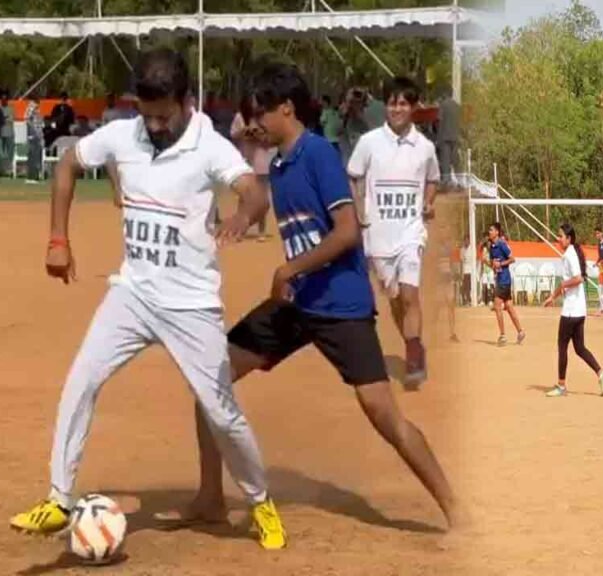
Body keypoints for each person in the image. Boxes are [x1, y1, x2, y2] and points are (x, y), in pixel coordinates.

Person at [156, 62, 461, 531]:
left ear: (287, 109)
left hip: (341, 306)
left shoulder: (318, 154)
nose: (253, 123)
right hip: (297, 304)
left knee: (383, 413)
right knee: (207, 380)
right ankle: (211, 497)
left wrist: (289, 268)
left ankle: (456, 511)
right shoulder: (277, 165)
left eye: (260, 113)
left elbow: (347, 232)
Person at [8, 48, 287, 550]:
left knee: (220, 411)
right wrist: (57, 239)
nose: (154, 125)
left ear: (186, 101)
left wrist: (242, 217)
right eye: (146, 114)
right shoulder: (122, 134)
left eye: (163, 116)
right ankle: (59, 497)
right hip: (132, 294)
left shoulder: (210, 145)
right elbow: (68, 165)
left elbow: (253, 192)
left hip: (191, 304)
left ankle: (260, 500)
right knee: (80, 382)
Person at [348, 76, 440, 386]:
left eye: (402, 103)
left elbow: (433, 179)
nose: (396, 109)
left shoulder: (425, 148)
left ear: (413, 108)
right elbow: (354, 177)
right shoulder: (368, 143)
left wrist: (428, 203)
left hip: (411, 233)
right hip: (377, 236)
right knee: (396, 300)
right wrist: (359, 209)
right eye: (391, 102)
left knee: (411, 294)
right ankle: (414, 344)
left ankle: (413, 357)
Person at [543, 223, 603, 398]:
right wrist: (554, 296)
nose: (558, 239)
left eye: (561, 236)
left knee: (562, 346)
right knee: (579, 348)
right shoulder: (573, 253)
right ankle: (601, 373)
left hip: (571, 311)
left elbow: (578, 278)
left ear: (569, 238)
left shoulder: (569, 256)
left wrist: (562, 287)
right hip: (579, 309)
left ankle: (561, 386)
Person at [231, 97, 276, 240]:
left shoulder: (263, 118)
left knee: (262, 196)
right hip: (244, 160)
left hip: (261, 160)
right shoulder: (239, 117)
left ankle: (261, 231)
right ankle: (240, 230)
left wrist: (258, 134)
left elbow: (271, 138)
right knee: (243, 197)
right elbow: (233, 133)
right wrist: (244, 132)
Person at [488, 222, 526, 346]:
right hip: (500, 280)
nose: (490, 232)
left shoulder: (502, 244)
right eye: (489, 230)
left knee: (497, 305)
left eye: (491, 230)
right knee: (509, 307)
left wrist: (501, 264)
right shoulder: (492, 247)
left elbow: (512, 259)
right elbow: (494, 264)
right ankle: (520, 332)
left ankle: (503, 336)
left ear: (497, 232)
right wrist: (490, 265)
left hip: (505, 280)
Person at [436, 89, 461, 187]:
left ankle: (446, 181)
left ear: (445, 94)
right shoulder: (457, 106)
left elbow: (439, 120)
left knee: (445, 160)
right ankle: (460, 181)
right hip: (455, 137)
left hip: (445, 137)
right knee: (455, 160)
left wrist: (438, 137)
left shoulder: (443, 105)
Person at [24, 97, 45, 183]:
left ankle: (35, 175)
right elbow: (27, 119)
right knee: (33, 155)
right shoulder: (31, 107)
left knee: (37, 156)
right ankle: (31, 177)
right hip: (33, 135)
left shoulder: (36, 107)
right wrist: (31, 132)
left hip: (38, 135)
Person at [0, 96, 15, 178]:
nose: (3, 101)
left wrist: (4, 119)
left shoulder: (11, 108)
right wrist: (4, 118)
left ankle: (10, 170)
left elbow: (10, 120)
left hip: (9, 134)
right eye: (2, 100)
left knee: (10, 153)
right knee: (1, 154)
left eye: (5, 100)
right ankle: (1, 170)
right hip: (0, 134)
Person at [461, 235, 474, 306]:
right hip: (465, 270)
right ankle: (466, 300)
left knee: (469, 286)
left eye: (467, 240)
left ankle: (470, 299)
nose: (466, 242)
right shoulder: (462, 249)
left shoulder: (472, 248)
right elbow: (462, 261)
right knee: (465, 286)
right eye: (465, 240)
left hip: (471, 270)